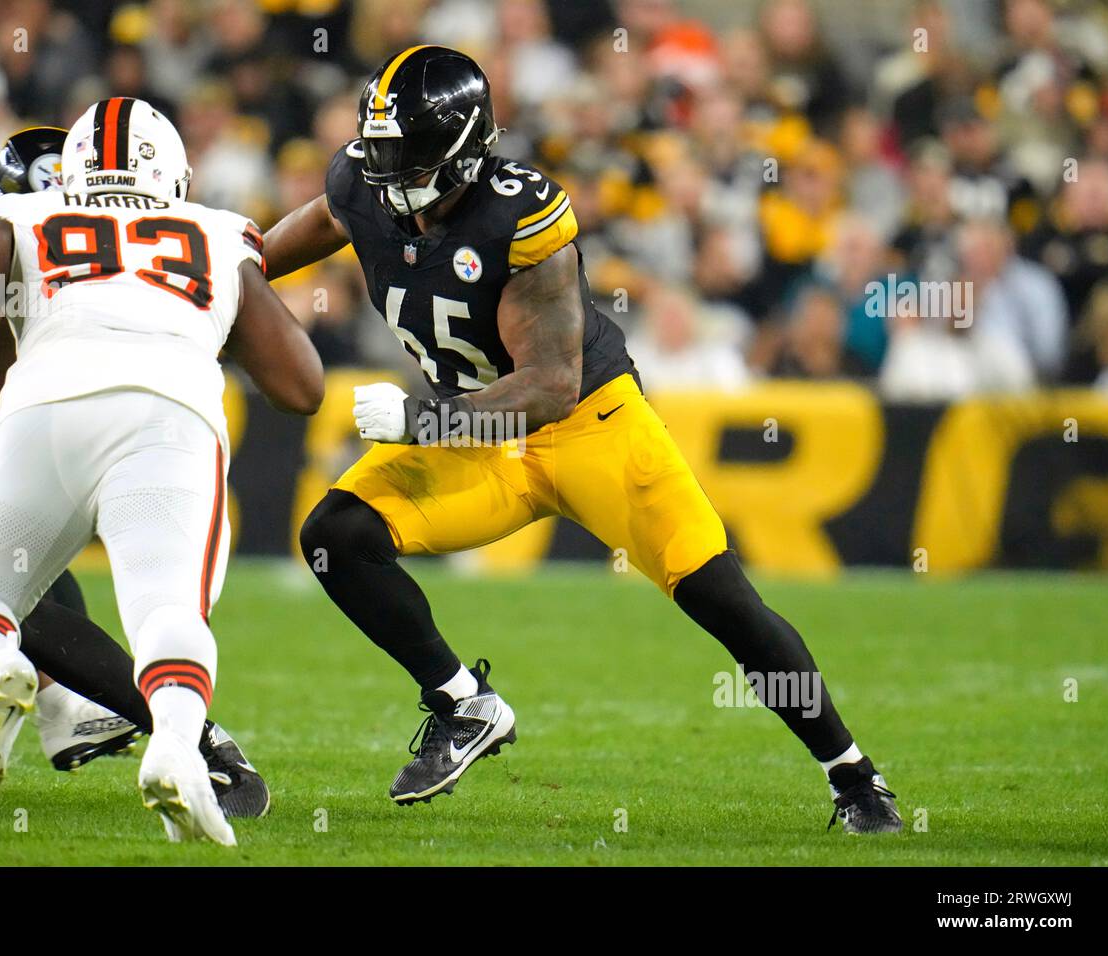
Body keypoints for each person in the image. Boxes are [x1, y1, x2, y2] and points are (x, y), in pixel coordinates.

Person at [265, 45, 901, 832]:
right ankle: (465, 705)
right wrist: (230, 268)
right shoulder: (363, 183)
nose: (386, 178)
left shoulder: (522, 217)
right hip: (478, 432)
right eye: (380, 156)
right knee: (337, 535)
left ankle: (855, 779)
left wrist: (419, 419)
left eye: (407, 159)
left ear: (465, 149)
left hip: (586, 423)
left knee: (720, 597)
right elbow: (314, 227)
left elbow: (549, 384)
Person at [0, 98, 323, 844]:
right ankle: (178, 747)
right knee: (167, 614)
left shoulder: (26, 215)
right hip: (168, 419)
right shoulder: (215, 230)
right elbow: (301, 386)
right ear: (173, 173)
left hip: (44, 415)